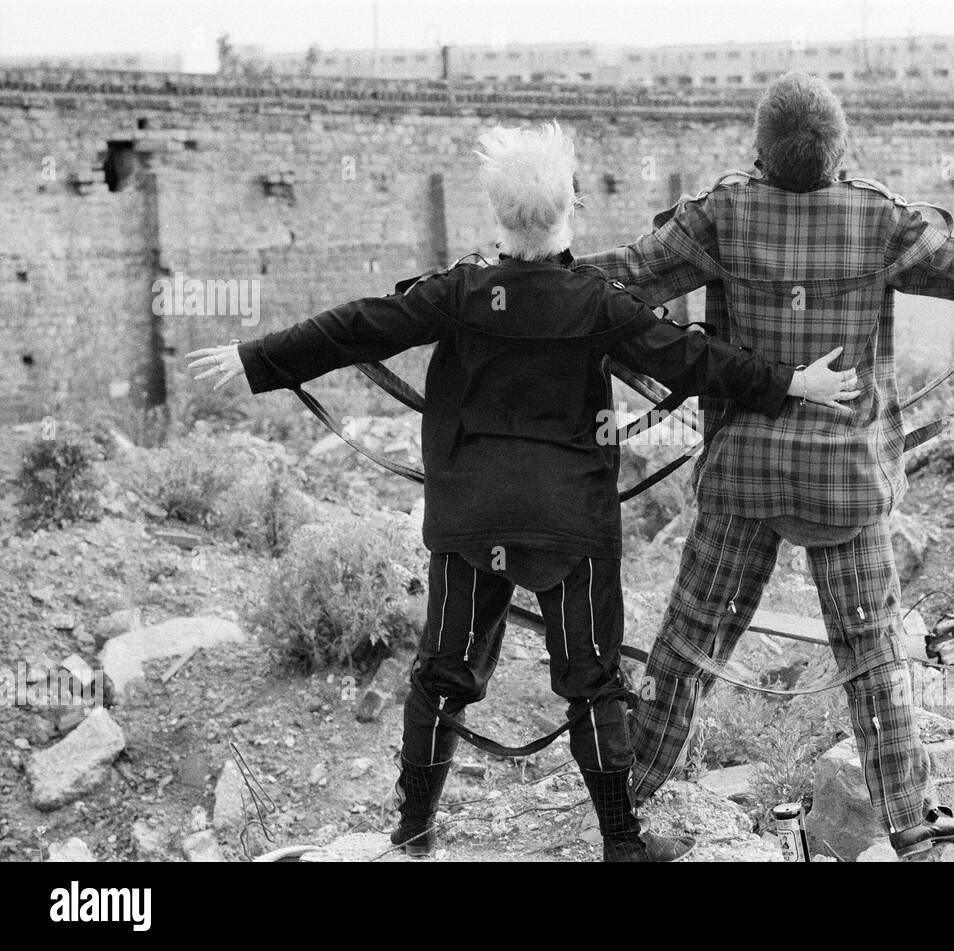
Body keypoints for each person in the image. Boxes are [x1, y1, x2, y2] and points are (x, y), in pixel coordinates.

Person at [186, 121, 858, 862]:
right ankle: (622, 844)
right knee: (592, 680)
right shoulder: (596, 302)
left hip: (472, 519)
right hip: (571, 523)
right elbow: (691, 360)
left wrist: (256, 359)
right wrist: (793, 381)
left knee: (442, 674)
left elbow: (357, 326)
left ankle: (413, 833)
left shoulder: (459, 293)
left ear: (496, 213)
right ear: (571, 205)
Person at [577, 72, 954, 858]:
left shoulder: (724, 211)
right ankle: (912, 825)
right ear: (840, 154)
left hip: (745, 475)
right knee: (874, 659)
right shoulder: (878, 217)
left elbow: (624, 275)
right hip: (846, 480)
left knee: (689, 646)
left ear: (759, 150)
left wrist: (513, 283)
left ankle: (622, 811)